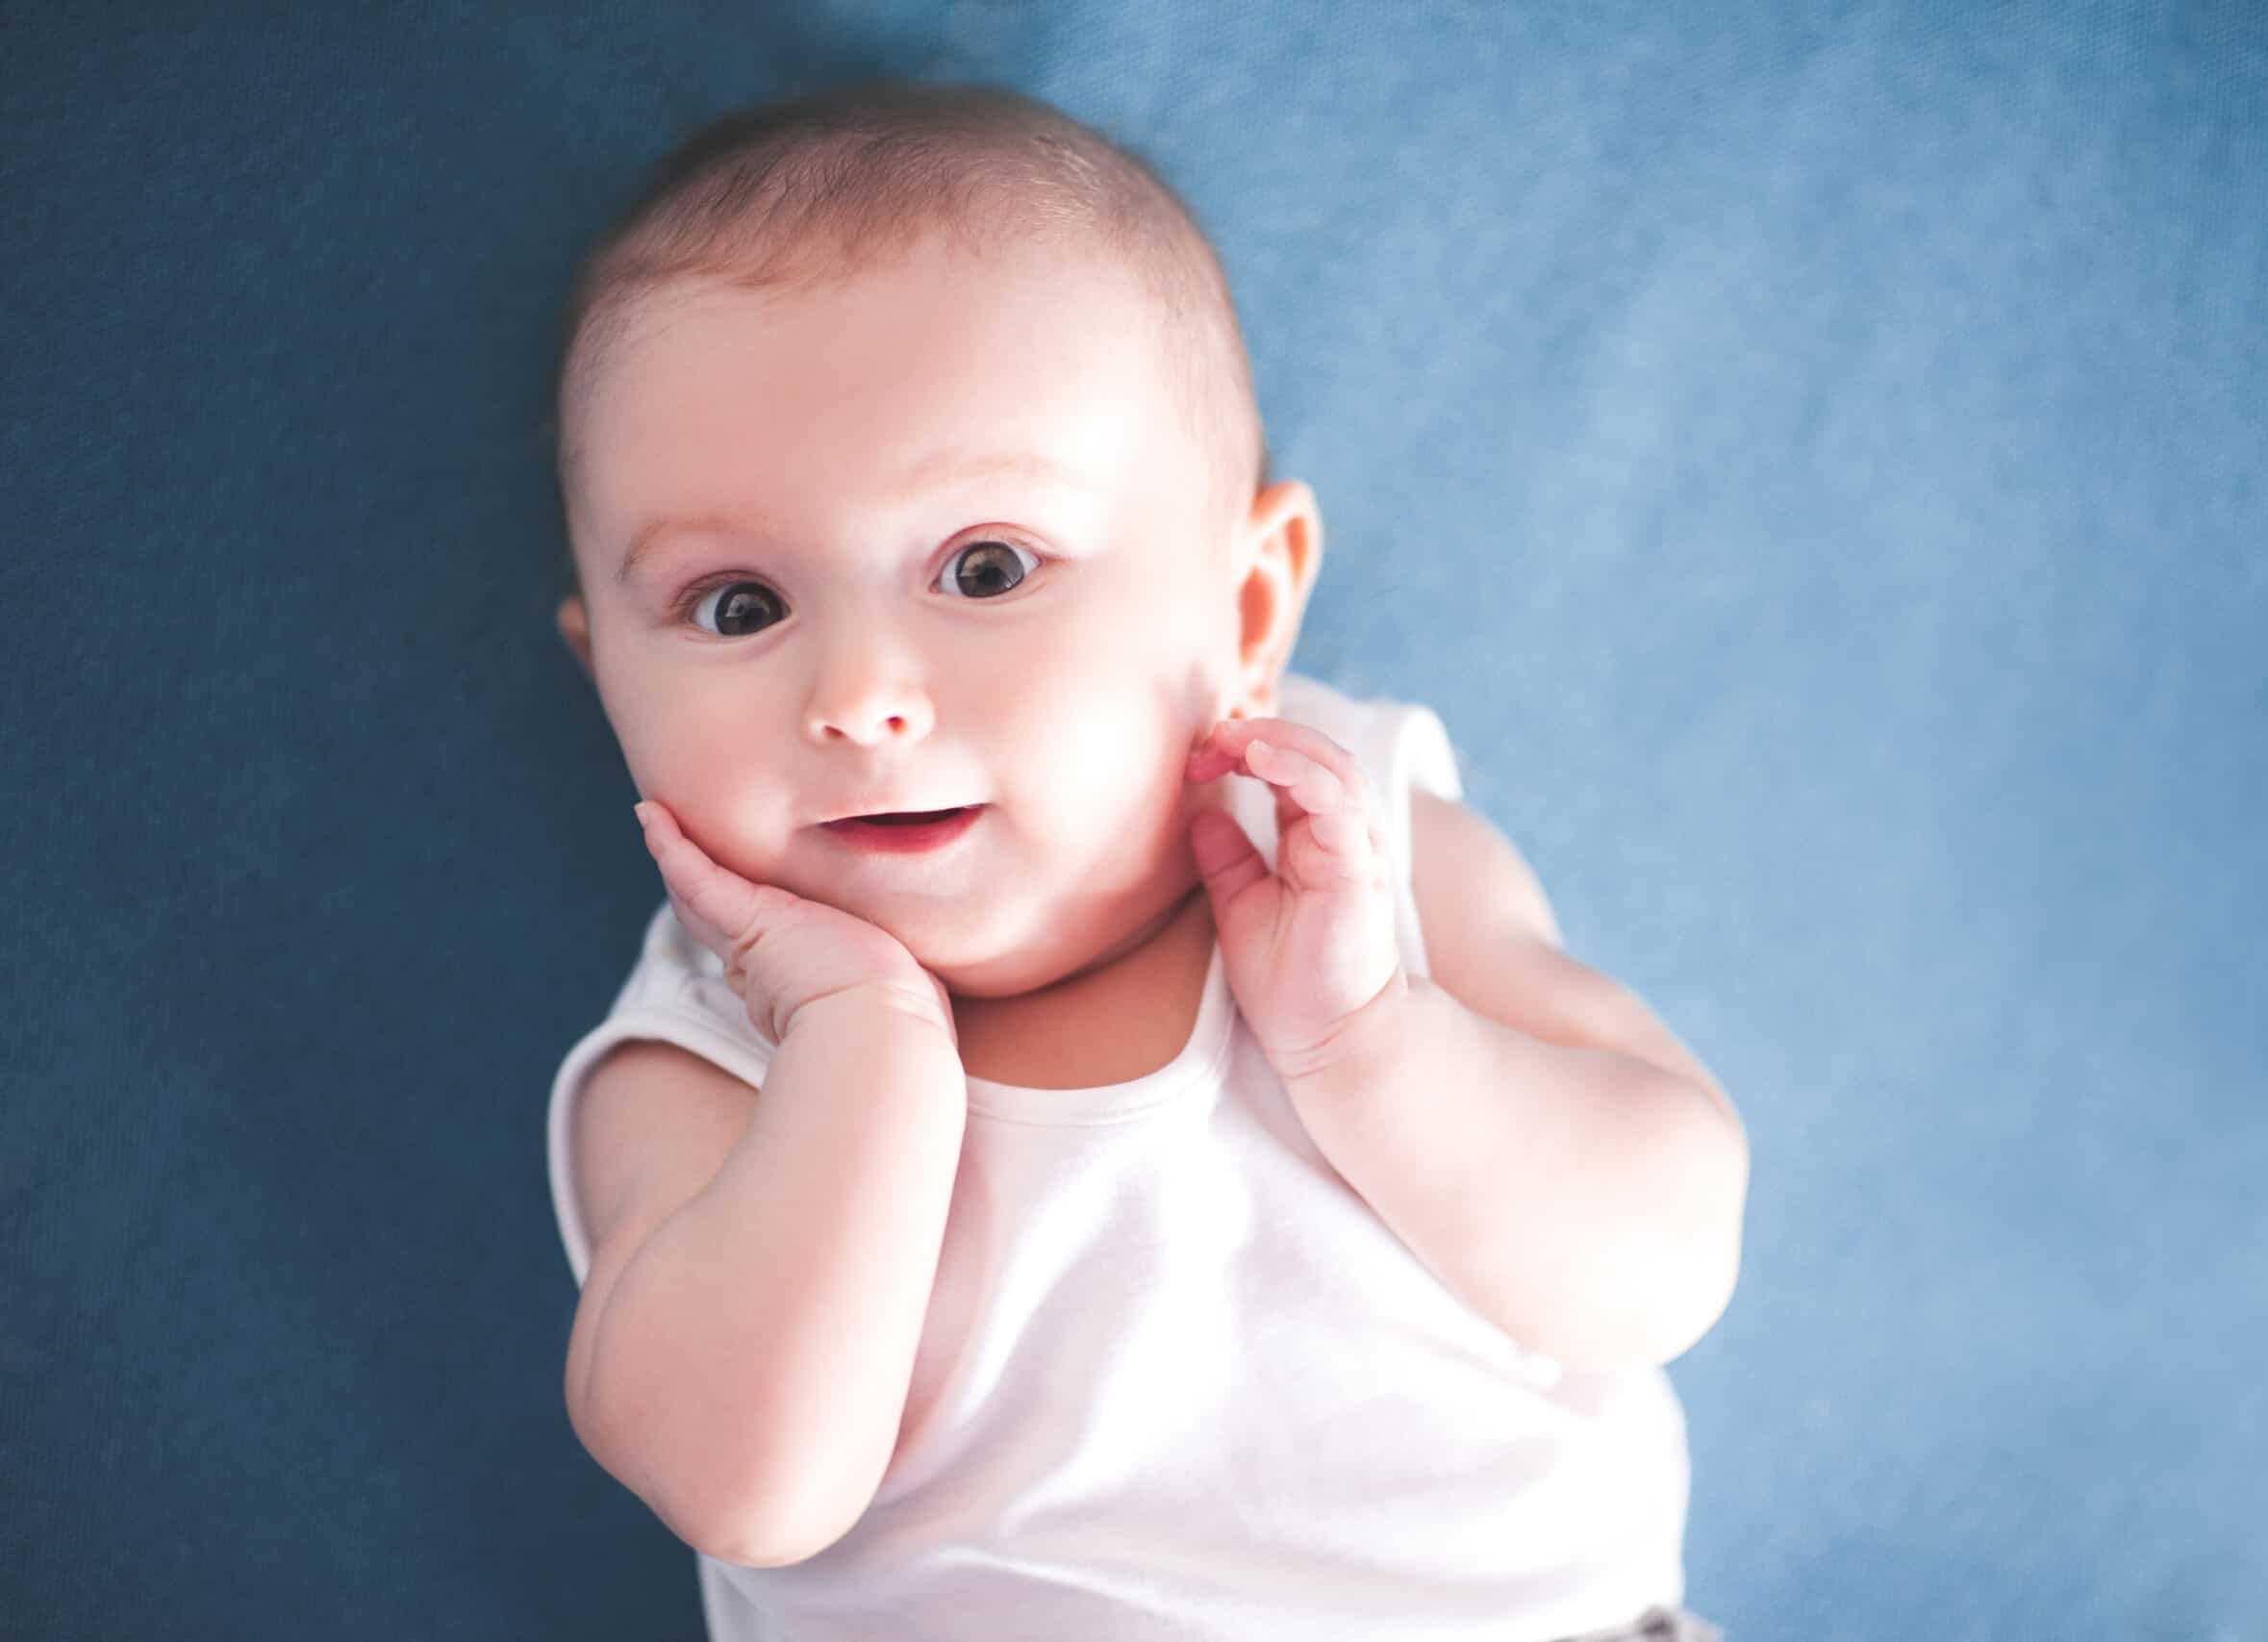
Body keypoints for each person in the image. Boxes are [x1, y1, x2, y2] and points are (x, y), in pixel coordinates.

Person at [541, 77, 1747, 1642]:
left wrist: (1370, 1043)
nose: (856, 701)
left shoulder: (1351, 849)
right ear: (604, 680)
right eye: (735, 609)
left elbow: (1662, 1266)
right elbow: (746, 1487)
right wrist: (862, 1054)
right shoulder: (700, 1064)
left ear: (1245, 614)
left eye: (985, 568)